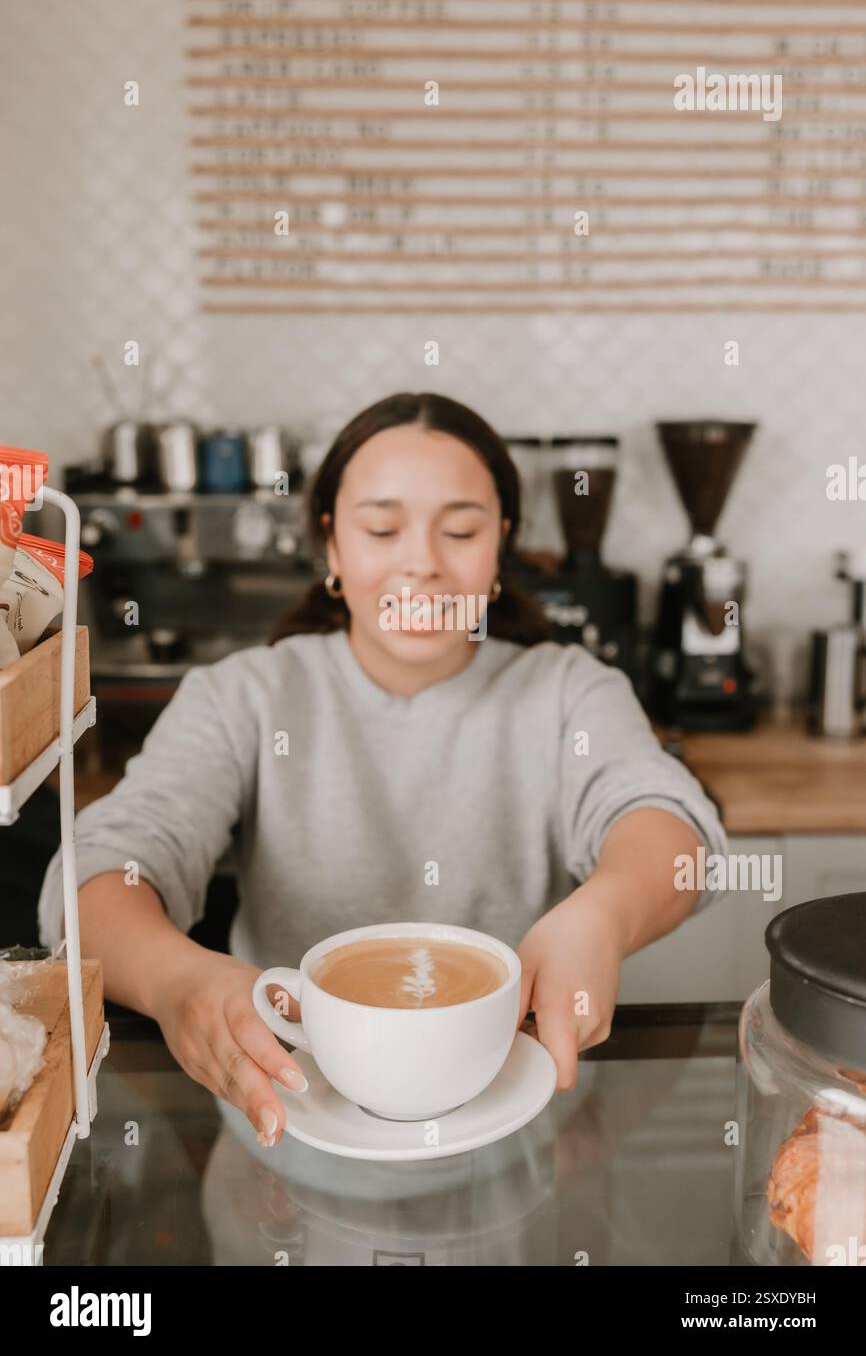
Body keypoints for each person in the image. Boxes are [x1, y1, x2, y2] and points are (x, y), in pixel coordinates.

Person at [38, 392, 728, 1149]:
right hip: (285, 1135)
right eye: (382, 527)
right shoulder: (246, 694)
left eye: (460, 529)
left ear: (501, 545)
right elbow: (103, 868)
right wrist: (176, 984)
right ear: (333, 545)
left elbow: (674, 829)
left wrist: (604, 912)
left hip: (522, 1132)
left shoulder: (570, 692)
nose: (423, 563)